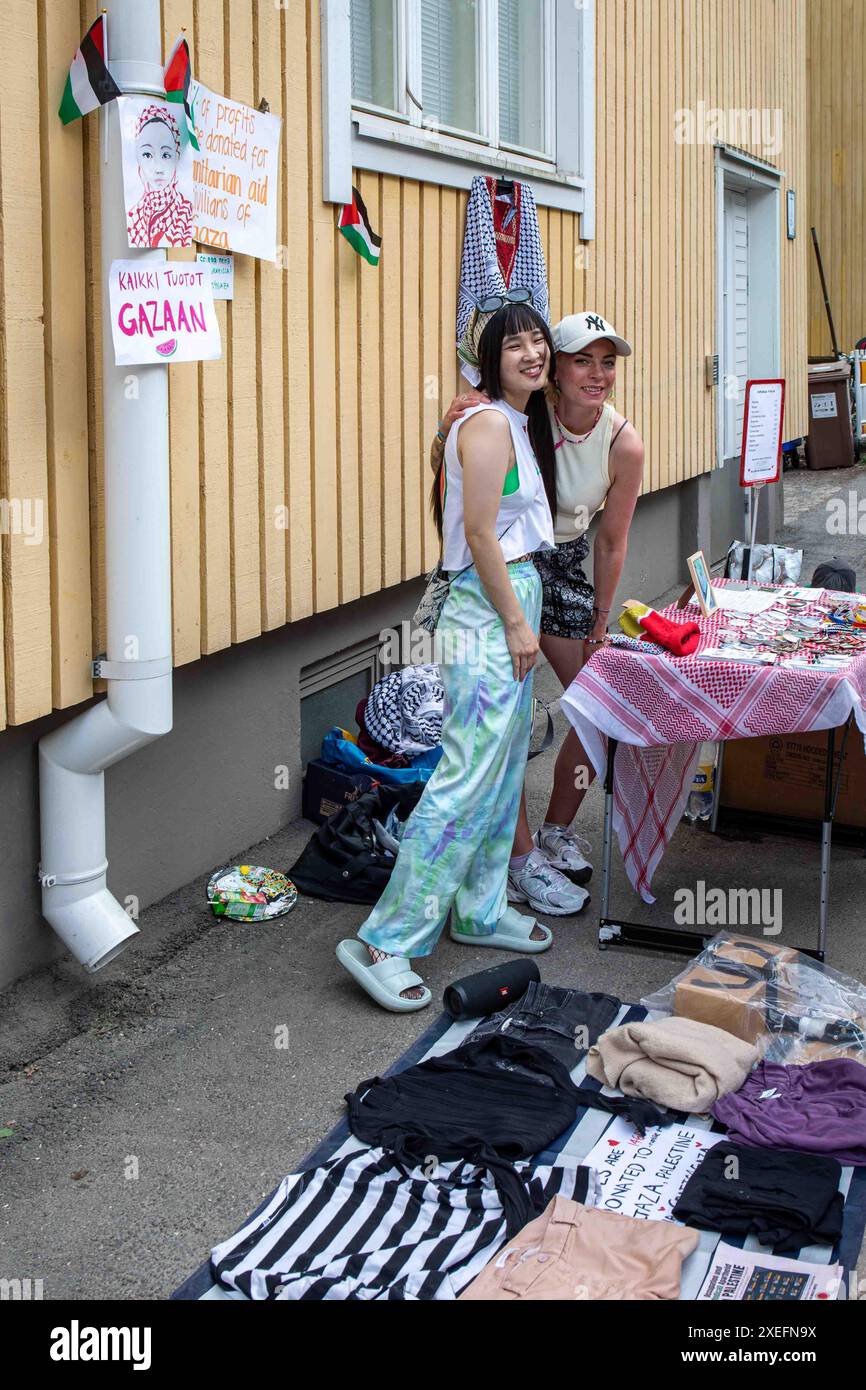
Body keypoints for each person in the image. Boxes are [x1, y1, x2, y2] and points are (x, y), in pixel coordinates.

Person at [337, 298, 557, 1012]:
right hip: (490, 611)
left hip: (507, 601)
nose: (532, 353)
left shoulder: (513, 420)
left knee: (499, 768)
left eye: (538, 341)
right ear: (488, 359)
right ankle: (385, 941)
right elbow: (483, 535)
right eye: (514, 344)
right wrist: (520, 625)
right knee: (466, 777)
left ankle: (478, 908)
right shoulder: (489, 422)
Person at [432, 311, 645, 916]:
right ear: (557, 366)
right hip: (509, 571)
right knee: (511, 721)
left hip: (563, 568)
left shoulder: (621, 440)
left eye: (608, 362)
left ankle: (552, 832)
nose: (597, 374)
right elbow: (470, 497)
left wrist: (602, 620)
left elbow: (611, 541)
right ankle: (519, 857)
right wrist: (450, 421)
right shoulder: (519, 415)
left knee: (598, 707)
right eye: (582, 359)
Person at [126, 104, 193, 249]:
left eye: (166, 155)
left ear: (176, 156)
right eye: (148, 155)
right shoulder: (134, 215)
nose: (158, 168)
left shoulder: (185, 214)